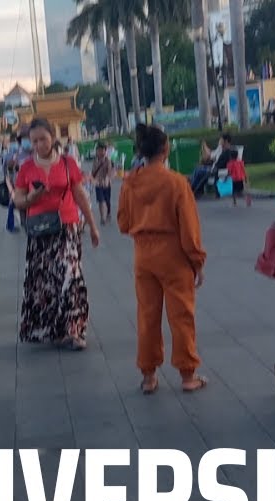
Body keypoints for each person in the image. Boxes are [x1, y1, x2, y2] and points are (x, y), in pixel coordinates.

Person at [116, 124, 208, 394]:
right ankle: (188, 375)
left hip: (143, 254)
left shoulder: (130, 183)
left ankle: (148, 376)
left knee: (147, 315)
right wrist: (197, 261)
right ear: (166, 149)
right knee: (181, 315)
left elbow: (123, 223)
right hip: (173, 254)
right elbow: (189, 228)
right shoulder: (177, 183)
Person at [12, 117, 101, 350]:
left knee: (71, 276)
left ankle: (74, 330)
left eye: (43, 139)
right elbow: (18, 200)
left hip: (67, 228)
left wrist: (92, 226)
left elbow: (80, 195)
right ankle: (55, 330)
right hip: (40, 232)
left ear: (53, 137)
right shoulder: (26, 168)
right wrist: (31, 198)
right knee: (46, 283)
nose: (39, 145)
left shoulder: (68, 163)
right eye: (34, 141)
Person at [90, 142, 114, 223]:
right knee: (101, 200)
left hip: (106, 184)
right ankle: (102, 218)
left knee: (107, 200)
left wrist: (107, 180)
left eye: (102, 150)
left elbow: (109, 172)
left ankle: (108, 212)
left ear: (105, 151)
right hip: (98, 184)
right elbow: (93, 172)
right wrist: (93, 180)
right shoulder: (95, 161)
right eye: (98, 150)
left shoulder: (108, 160)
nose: (100, 152)